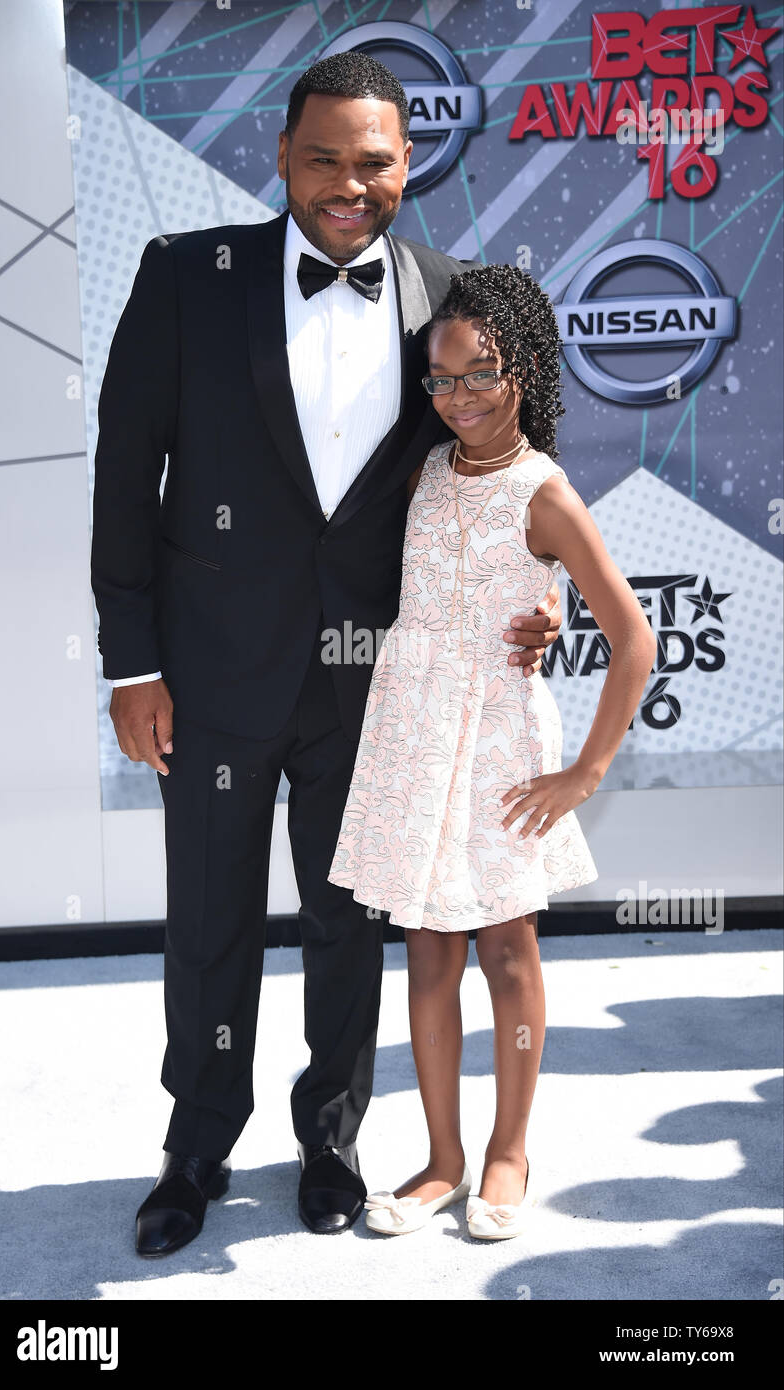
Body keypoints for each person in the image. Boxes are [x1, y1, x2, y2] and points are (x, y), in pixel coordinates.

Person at [91, 53, 564, 1258]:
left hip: (380, 677)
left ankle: (333, 1138)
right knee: (209, 917)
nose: (349, 185)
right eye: (325, 160)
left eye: (375, 162)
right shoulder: (185, 278)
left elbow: (509, 466)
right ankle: (194, 1147)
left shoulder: (457, 290)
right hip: (207, 677)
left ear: (409, 163)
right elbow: (121, 476)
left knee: (350, 916)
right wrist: (130, 662)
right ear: (284, 158)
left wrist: (545, 594)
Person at [328, 264, 657, 1239]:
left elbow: (633, 637)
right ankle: (441, 1158)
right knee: (427, 956)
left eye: (480, 373)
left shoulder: (544, 492)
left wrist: (584, 772)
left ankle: (509, 1153)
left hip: (498, 748)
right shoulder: (427, 467)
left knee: (508, 953)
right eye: (441, 378)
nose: (458, 396)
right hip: (413, 737)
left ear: (525, 369)